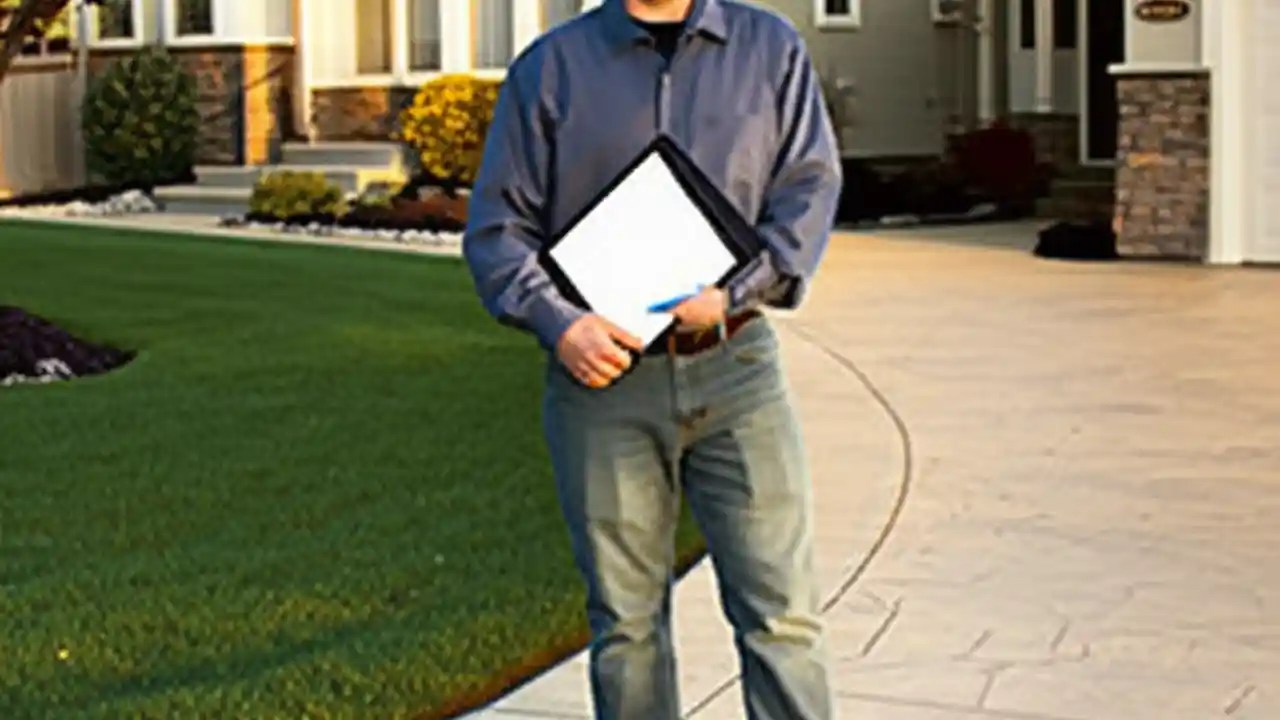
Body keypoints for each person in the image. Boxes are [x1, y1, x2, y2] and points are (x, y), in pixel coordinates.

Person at [462, 0, 842, 717]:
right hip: (603, 385)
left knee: (782, 616)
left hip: (737, 371)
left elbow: (808, 189)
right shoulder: (551, 69)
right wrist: (561, 325)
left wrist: (735, 291)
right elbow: (498, 229)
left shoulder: (770, 49)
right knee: (626, 623)